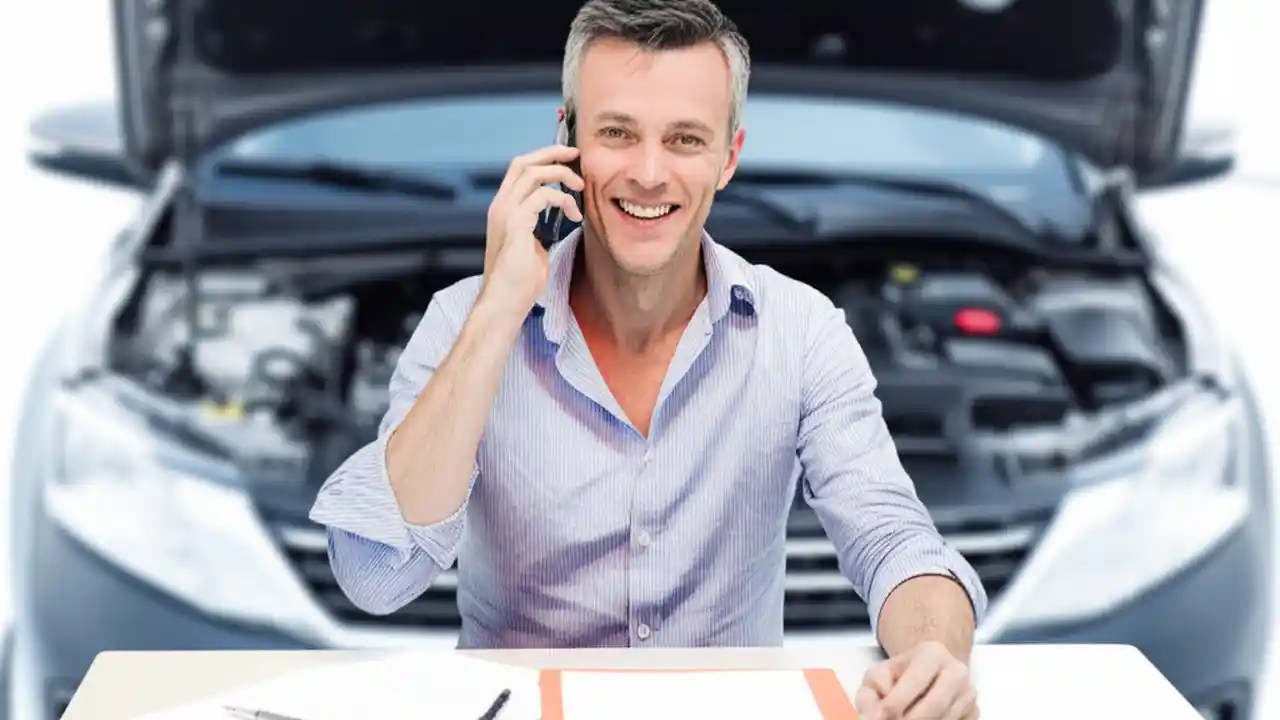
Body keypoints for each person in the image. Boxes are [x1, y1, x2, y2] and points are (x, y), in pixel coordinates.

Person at [309, 1, 987, 717]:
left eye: (686, 140)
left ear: (729, 157)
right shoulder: (464, 319)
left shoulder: (802, 332)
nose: (649, 173)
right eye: (617, 133)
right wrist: (498, 310)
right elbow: (375, 578)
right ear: (565, 140)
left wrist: (934, 653)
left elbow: (894, 543)